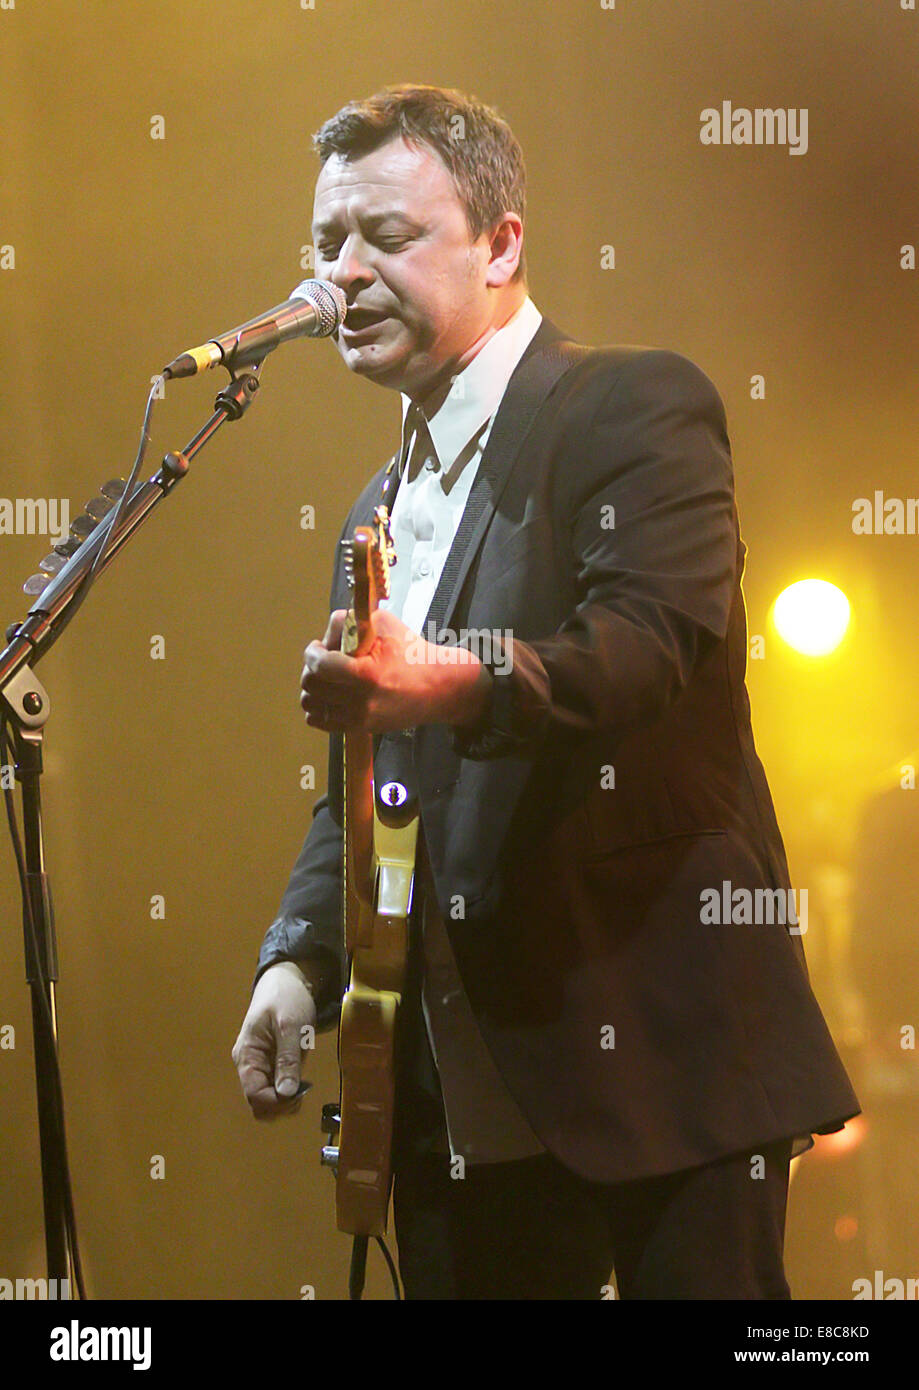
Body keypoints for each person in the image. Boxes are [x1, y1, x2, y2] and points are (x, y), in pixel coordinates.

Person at [232, 83, 859, 1300]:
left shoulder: (628, 403)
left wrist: (450, 682)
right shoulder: (371, 509)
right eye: (324, 245)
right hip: (459, 1097)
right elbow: (361, 786)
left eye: (387, 237)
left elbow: (647, 644)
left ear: (502, 243)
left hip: (658, 1054)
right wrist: (295, 964)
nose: (342, 275)